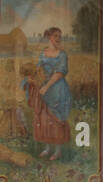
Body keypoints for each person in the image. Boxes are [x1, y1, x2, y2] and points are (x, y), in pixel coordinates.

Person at [24, 26, 71, 160]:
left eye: (60, 37)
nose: (58, 39)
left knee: (56, 119)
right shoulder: (43, 53)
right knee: (44, 119)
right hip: (44, 88)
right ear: (49, 37)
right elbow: (38, 70)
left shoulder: (62, 54)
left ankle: (58, 150)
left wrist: (47, 86)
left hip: (57, 90)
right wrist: (32, 78)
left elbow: (60, 73)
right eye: (56, 36)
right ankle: (47, 148)